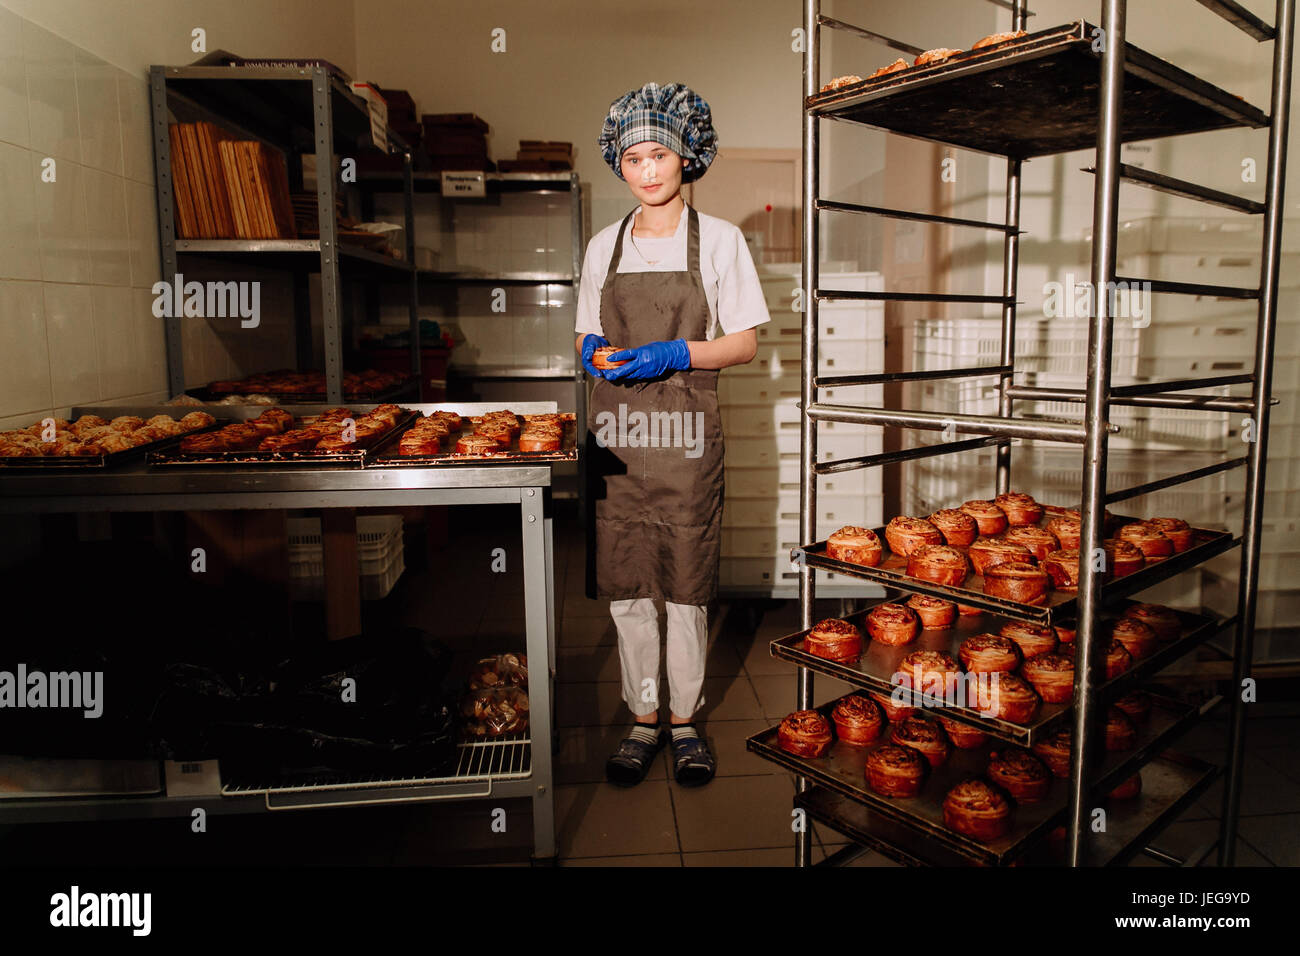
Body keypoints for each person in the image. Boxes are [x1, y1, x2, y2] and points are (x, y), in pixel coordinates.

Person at [575, 82, 770, 788]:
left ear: (687, 156)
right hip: (617, 435)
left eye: (659, 154)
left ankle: (684, 723)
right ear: (619, 166)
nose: (647, 170)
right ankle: (642, 718)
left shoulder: (720, 240)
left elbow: (744, 343)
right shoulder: (604, 245)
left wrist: (678, 351)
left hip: (686, 438)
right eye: (633, 159)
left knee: (686, 583)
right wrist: (592, 351)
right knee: (626, 579)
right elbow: (585, 331)